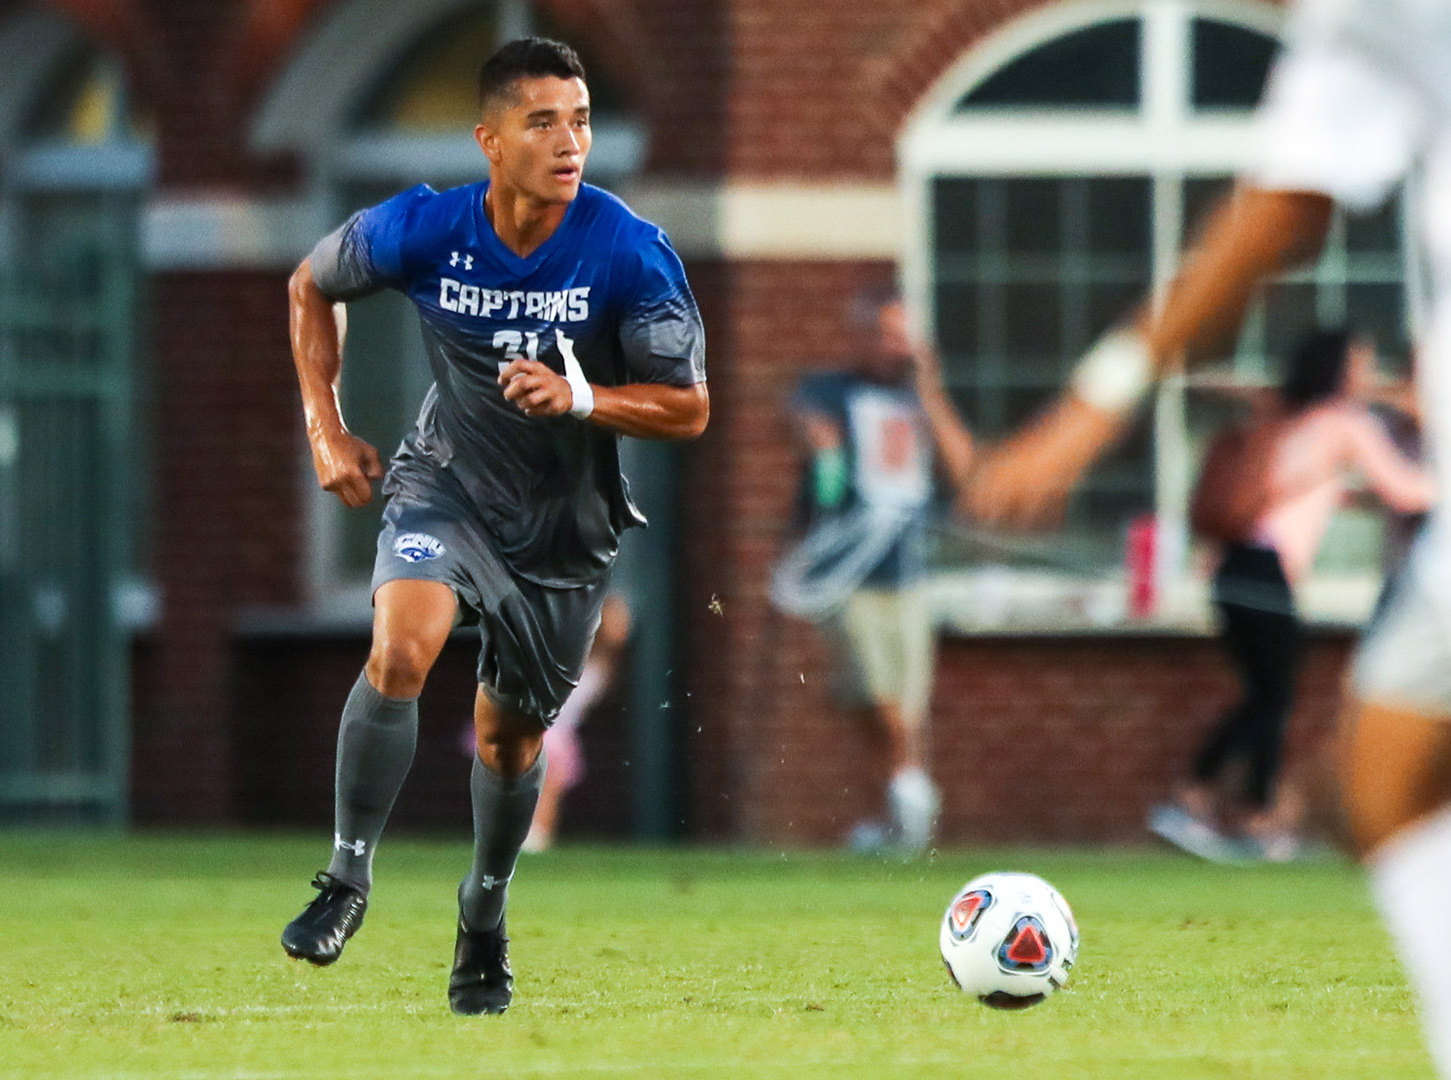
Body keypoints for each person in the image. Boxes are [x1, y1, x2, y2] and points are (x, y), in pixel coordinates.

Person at [962, 1, 1451, 1074]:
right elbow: (1382, 479)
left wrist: (1085, 413)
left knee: (1356, 760)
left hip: (1446, 532)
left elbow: (1276, 213)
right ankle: (1211, 809)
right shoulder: (1332, 424)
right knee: (1374, 773)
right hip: (1395, 549)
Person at [278, 37, 707, 1017]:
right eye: (543, 121)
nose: (570, 141)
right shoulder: (426, 228)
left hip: (563, 530)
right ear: (490, 139)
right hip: (447, 488)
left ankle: (484, 911)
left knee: (509, 743)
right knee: (401, 649)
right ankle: (346, 878)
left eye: (583, 119)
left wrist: (583, 394)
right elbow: (310, 285)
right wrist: (327, 428)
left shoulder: (627, 250)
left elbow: (688, 408)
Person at [1150, 330, 1431, 863]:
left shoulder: (1290, 420)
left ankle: (1233, 809)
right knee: (1273, 694)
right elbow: (1408, 490)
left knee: (1268, 692)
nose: (1372, 376)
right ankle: (1217, 806)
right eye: (1364, 365)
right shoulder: (1347, 425)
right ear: (1342, 372)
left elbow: (1319, 487)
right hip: (1265, 568)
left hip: (1234, 564)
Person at [771, 288, 975, 855]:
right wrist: (816, 442)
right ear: (861, 336)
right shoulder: (828, 390)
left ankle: (895, 810)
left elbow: (964, 469)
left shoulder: (918, 399)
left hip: (908, 574)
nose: (895, 347)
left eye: (902, 335)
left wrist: (929, 391)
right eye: (885, 334)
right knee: (875, 696)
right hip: (847, 573)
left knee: (903, 705)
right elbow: (798, 424)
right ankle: (908, 800)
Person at [521, 592, 629, 853]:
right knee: (536, 781)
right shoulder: (572, 655)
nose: (621, 633)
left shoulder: (604, 667)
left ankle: (539, 837)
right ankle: (529, 834)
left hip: (558, 732)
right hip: (537, 726)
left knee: (551, 785)